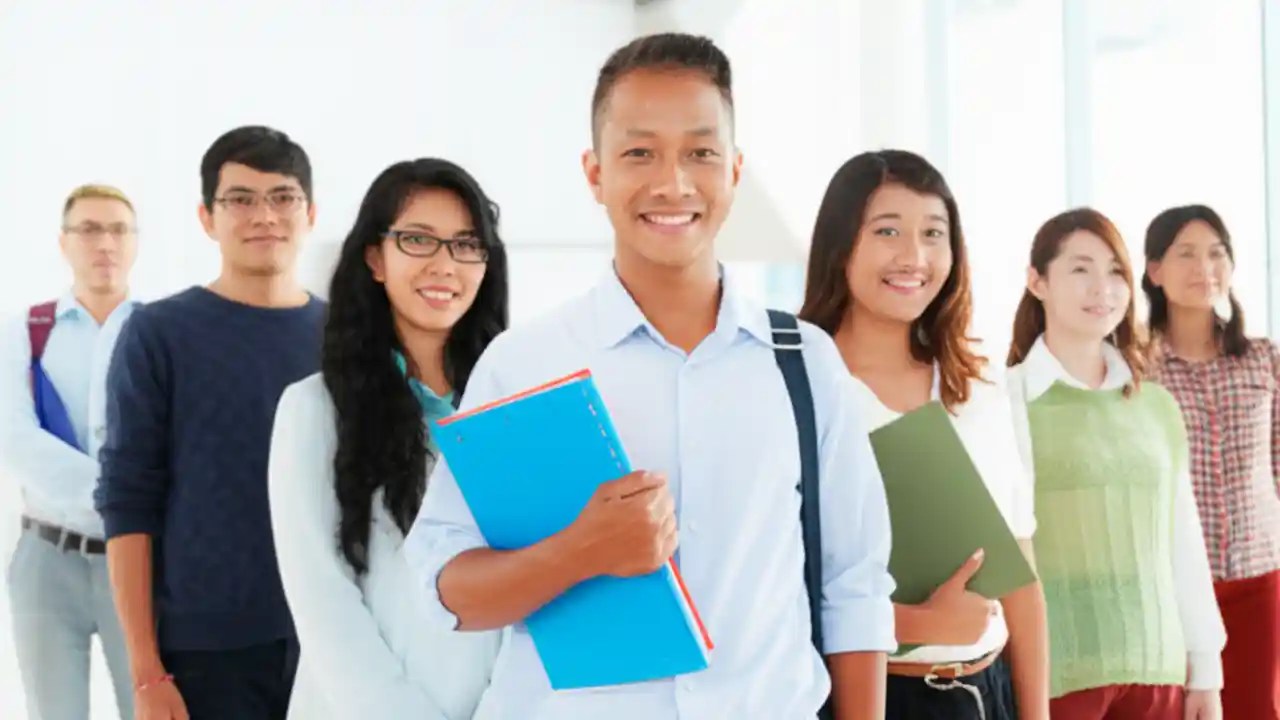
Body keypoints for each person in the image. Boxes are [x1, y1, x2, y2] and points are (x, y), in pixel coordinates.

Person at [404, 32, 896, 720]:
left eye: (701, 151)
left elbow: (855, 588)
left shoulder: (805, 363)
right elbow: (444, 590)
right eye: (640, 152)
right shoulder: (525, 364)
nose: (673, 182)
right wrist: (580, 552)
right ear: (595, 172)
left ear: (734, 170)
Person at [798, 149, 1050, 720]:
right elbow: (770, 591)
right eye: (888, 230)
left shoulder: (979, 390)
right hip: (866, 695)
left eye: (934, 233)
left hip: (988, 694)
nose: (914, 256)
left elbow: (1022, 583)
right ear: (841, 246)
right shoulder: (801, 389)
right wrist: (920, 624)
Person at [95, 125, 325, 720]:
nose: (263, 215)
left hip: (332, 635)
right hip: (205, 651)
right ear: (207, 217)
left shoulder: (348, 336)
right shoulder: (159, 333)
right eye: (240, 199)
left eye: (282, 197)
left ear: (310, 212)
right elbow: (128, 501)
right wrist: (145, 672)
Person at [266, 158, 507, 718]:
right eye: (418, 240)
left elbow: (530, 581)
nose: (446, 264)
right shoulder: (314, 410)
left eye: (467, 244)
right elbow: (323, 602)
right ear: (375, 258)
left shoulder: (508, 406)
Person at [1004, 208, 1226, 719]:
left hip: (1158, 672)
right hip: (1056, 678)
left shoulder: (1156, 407)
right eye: (1080, 269)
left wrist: (1206, 673)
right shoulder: (1007, 401)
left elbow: (1182, 543)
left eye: (1115, 272)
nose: (1101, 288)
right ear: (1037, 281)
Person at [0, 184, 140, 720]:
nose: (104, 242)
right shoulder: (26, 332)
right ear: (64, 243)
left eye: (117, 230)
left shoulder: (160, 331)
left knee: (147, 704)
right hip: (46, 558)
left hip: (139, 560)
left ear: (134, 243)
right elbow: (14, 437)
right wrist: (117, 499)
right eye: (89, 229)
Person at [1141, 204, 1280, 719]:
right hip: (1172, 586)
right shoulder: (1138, 373)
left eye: (1217, 253)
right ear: (1154, 271)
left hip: (1259, 578)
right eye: (1187, 254)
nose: (1206, 268)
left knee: (1258, 709)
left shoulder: (1264, 359)